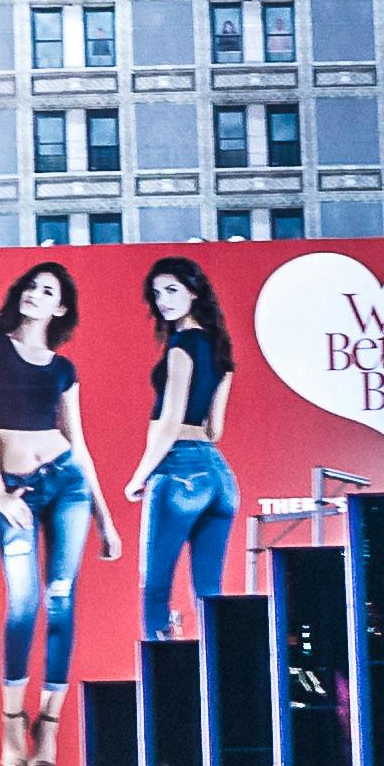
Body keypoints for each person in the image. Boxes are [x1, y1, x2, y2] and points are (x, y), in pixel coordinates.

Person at [0, 264, 111, 766]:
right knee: (23, 603)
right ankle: (13, 721)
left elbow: (79, 445)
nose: (36, 294)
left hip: (70, 484)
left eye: (48, 291)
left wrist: (106, 519)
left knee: (62, 596)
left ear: (60, 309)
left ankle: (49, 723)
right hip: (17, 489)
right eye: (31, 285)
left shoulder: (63, 368)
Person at [131, 256, 250, 651]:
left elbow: (170, 420)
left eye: (172, 290)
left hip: (179, 469)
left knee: (155, 587)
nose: (162, 300)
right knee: (209, 592)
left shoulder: (181, 346)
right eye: (157, 292)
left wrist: (141, 475)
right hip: (220, 478)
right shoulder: (221, 352)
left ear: (193, 292)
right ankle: (221, 677)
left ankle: (160, 689)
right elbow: (215, 428)